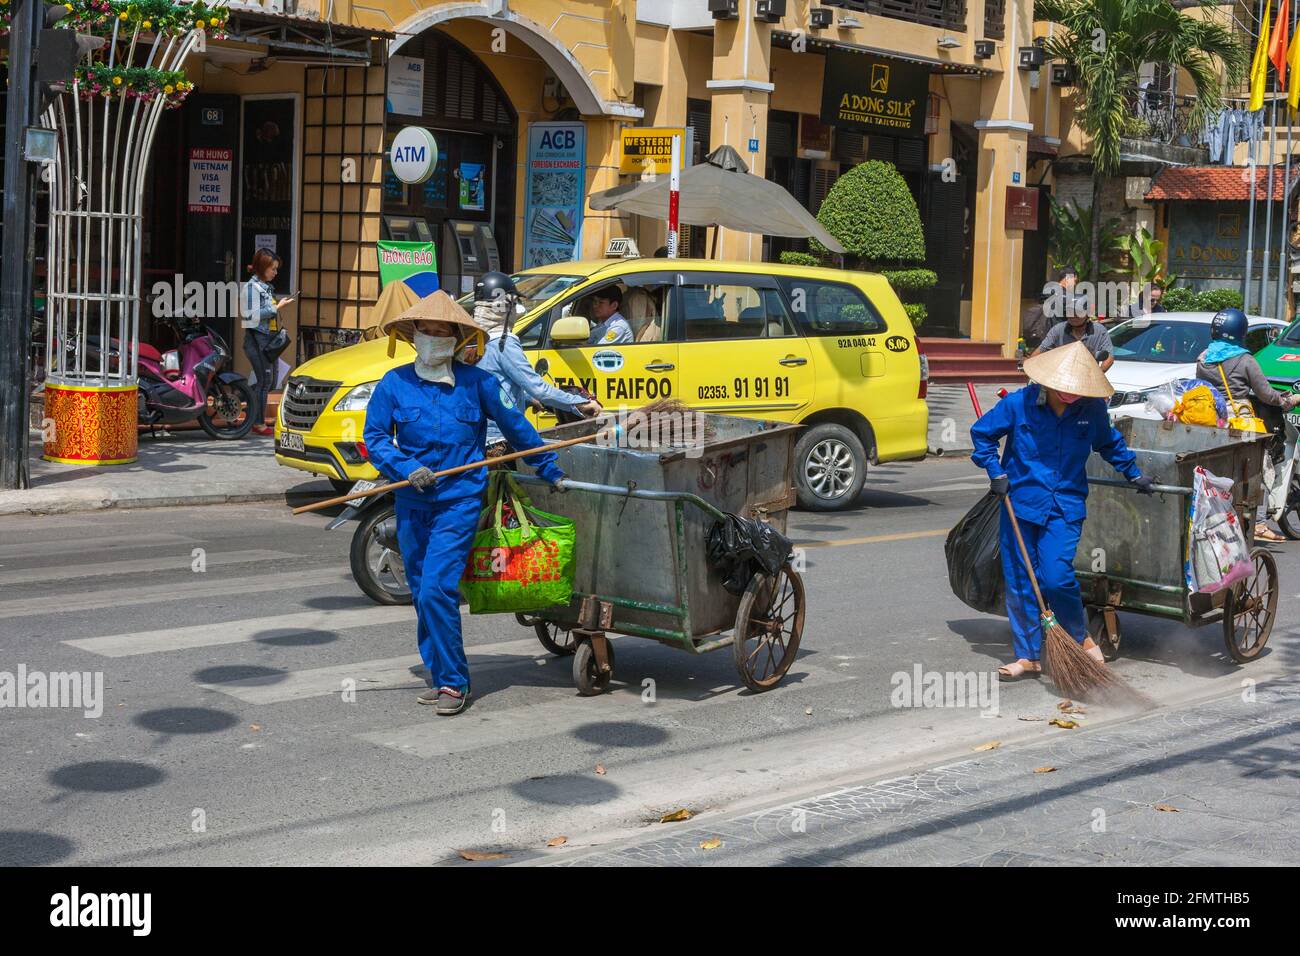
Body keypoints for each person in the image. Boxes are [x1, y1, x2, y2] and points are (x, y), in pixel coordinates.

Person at [363, 291, 567, 716]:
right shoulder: (394, 383)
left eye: (443, 333)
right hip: (412, 501)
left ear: (457, 339)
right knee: (421, 593)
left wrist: (549, 468)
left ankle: (454, 683)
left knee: (438, 587)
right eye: (427, 331)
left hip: (459, 501)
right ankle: (439, 676)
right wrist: (405, 467)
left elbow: (518, 429)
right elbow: (377, 438)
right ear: (414, 335)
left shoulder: (480, 384)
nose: (434, 338)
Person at [970, 341, 1154, 680]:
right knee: (1022, 580)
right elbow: (981, 435)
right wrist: (995, 472)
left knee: (1056, 576)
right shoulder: (1018, 405)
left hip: (1065, 506)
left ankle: (1077, 637)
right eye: (1064, 388)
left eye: (1076, 390)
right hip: (1020, 503)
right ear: (1048, 381)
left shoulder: (1091, 410)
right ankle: (1027, 656)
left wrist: (1134, 473)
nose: (1070, 395)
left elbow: (1109, 443)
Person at [1196, 307, 1300, 542]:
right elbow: (1267, 396)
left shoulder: (1203, 358)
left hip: (1212, 419)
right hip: (1240, 422)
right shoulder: (1245, 360)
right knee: (1261, 468)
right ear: (1240, 332)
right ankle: (1260, 523)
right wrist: (1289, 401)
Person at [470, 272, 601, 438]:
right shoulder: (504, 342)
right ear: (506, 309)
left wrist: (527, 398)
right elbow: (540, 389)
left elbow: (496, 383)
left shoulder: (473, 338)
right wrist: (579, 403)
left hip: (477, 429)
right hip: (501, 432)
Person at [240, 248, 294, 436]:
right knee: (265, 381)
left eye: (276, 269)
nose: (275, 272)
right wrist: (276, 307)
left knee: (268, 382)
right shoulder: (250, 288)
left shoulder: (265, 287)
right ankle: (258, 423)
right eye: (273, 269)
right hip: (257, 341)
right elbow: (249, 316)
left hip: (268, 341)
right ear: (263, 267)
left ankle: (249, 404)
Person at [1031, 304, 1116, 372]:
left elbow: (1109, 357)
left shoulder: (1099, 331)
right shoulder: (1058, 329)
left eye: (1078, 313)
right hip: (1061, 378)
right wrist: (1030, 366)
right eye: (1070, 312)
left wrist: (1098, 375)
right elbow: (1041, 349)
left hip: (1087, 379)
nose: (1073, 316)